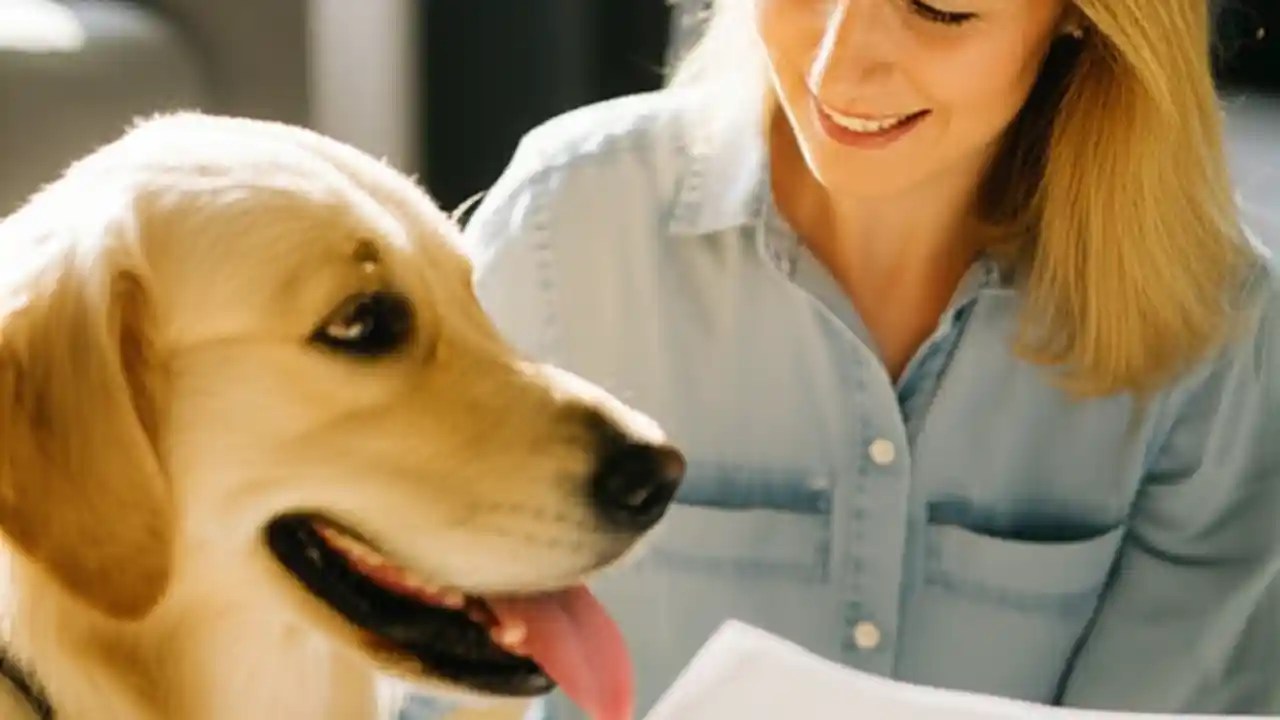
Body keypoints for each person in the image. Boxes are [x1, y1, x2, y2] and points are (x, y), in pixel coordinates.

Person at [450, 0, 1280, 717]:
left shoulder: (1218, 329)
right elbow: (434, 682)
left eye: (940, 10)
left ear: (1078, 14)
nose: (837, 66)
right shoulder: (567, 226)